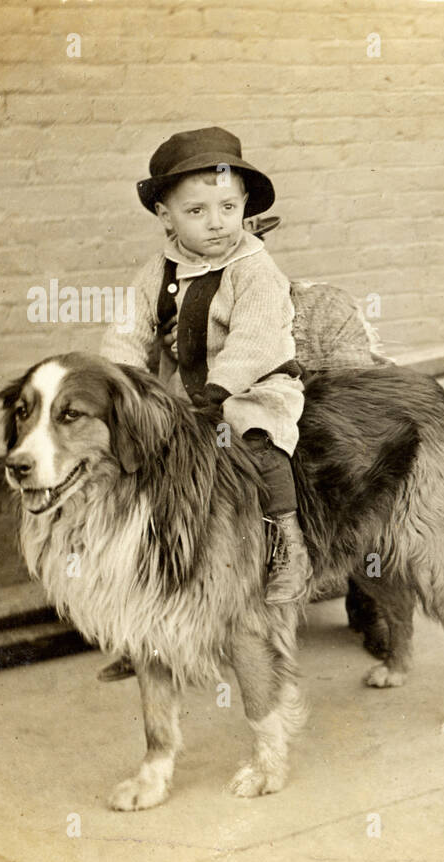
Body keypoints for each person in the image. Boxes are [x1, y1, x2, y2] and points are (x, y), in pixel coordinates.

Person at [97, 127, 310, 681]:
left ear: (244, 208)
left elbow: (256, 340)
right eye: (196, 210)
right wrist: (121, 383)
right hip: (183, 401)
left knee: (255, 439)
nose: (217, 222)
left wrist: (219, 390)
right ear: (166, 216)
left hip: (251, 387)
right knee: (138, 468)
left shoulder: (255, 270)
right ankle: (149, 606)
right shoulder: (156, 273)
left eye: (228, 207)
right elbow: (128, 333)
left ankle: (287, 540)